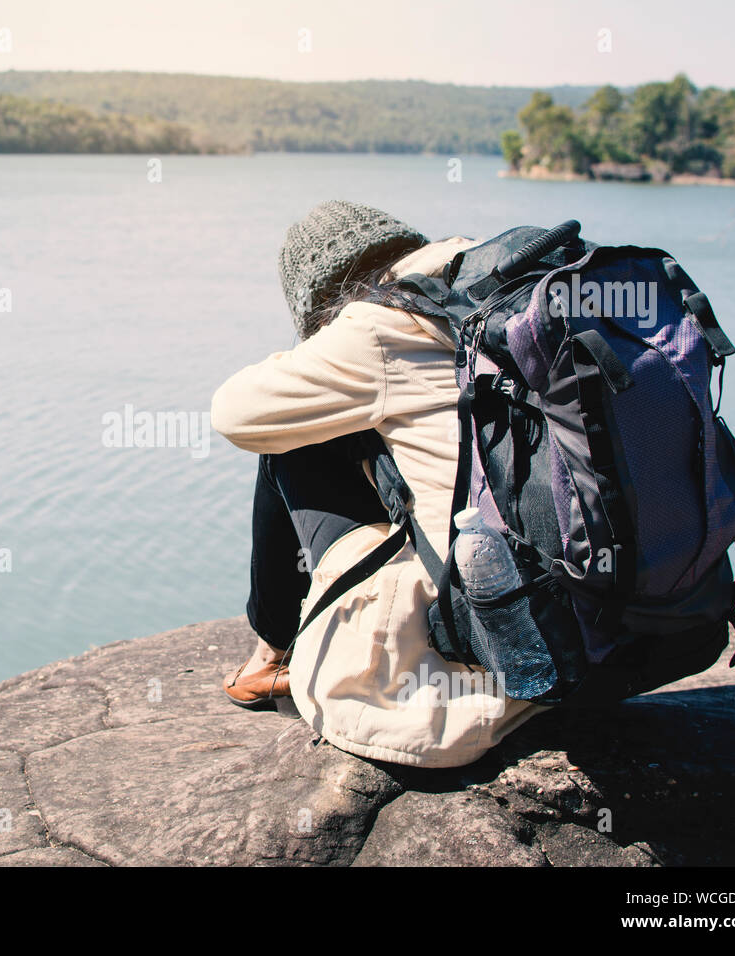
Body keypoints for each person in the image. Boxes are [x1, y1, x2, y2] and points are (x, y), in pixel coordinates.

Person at [211, 200, 543, 768]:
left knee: (288, 440)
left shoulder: (379, 323)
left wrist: (317, 348)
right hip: (619, 626)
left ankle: (272, 651)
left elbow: (234, 413)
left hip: (503, 649)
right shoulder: (509, 288)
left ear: (324, 301)